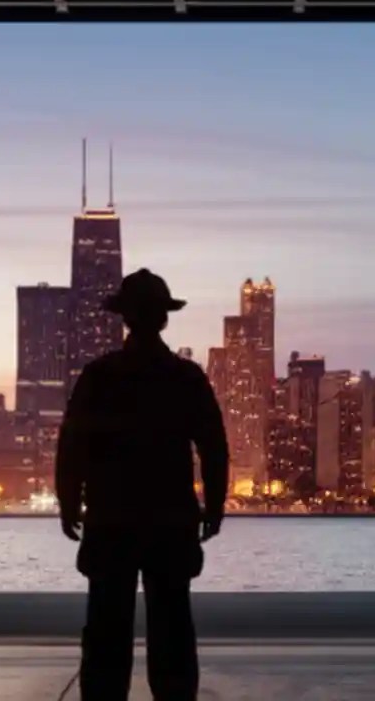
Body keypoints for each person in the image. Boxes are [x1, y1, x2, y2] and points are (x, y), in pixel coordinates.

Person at [55, 268, 230, 701]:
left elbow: (72, 446)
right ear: (164, 318)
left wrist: (68, 502)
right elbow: (213, 447)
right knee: (172, 625)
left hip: (110, 519)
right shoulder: (186, 377)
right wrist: (214, 505)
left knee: (106, 627)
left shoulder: (99, 376)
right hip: (170, 520)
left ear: (125, 317)